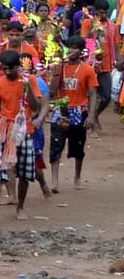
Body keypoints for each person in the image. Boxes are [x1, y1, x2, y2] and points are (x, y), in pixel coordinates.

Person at [0, 50, 47, 224]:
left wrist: (28, 88)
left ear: (18, 67)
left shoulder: (31, 81)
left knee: (24, 173)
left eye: (10, 69)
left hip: (25, 131)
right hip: (5, 131)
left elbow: (36, 107)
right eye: (4, 69)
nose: (7, 72)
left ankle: (20, 206)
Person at [48, 36, 98, 193]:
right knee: (56, 145)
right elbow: (51, 91)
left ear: (81, 50)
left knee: (78, 145)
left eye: (75, 47)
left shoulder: (87, 69)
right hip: (61, 110)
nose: (71, 50)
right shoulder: (59, 67)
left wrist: (91, 116)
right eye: (69, 47)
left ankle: (77, 177)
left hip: (79, 111)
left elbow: (93, 94)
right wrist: (56, 74)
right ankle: (54, 181)